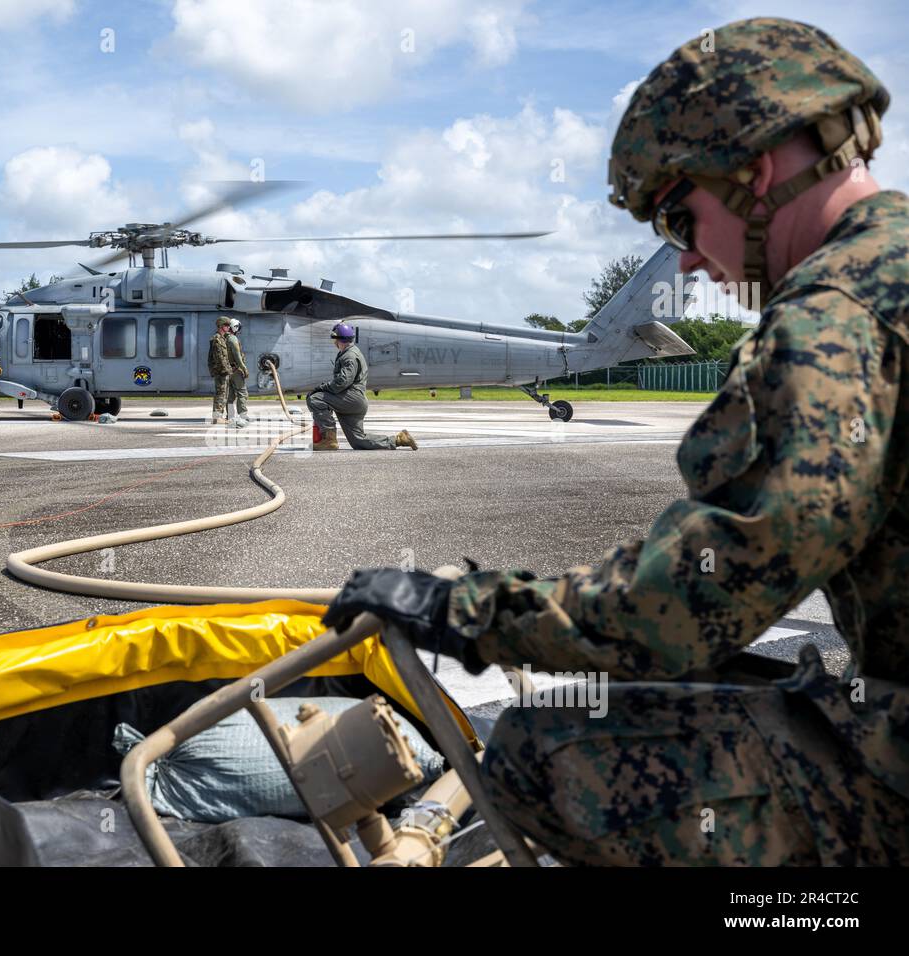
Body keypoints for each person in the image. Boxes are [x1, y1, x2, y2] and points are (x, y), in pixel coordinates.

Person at [324, 17, 909, 865]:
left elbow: (692, 600)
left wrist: (462, 610)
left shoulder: (834, 321)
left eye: (678, 218)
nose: (690, 261)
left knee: (548, 749)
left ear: (753, 172)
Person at [307, 322, 416, 451]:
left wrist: (321, 388)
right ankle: (399, 440)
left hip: (351, 399)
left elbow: (342, 381)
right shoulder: (350, 352)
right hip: (354, 401)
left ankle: (328, 440)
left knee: (315, 398)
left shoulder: (349, 356)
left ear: (338, 340)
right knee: (358, 441)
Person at [206, 316, 233, 424]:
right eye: (226, 325)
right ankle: (217, 417)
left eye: (228, 325)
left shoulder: (222, 338)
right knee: (220, 394)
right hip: (220, 371)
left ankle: (219, 416)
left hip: (223, 370)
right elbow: (219, 357)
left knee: (223, 394)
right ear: (221, 326)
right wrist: (227, 369)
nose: (228, 327)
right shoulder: (217, 339)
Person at [226, 316, 249, 427]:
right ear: (234, 327)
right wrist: (244, 368)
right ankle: (243, 415)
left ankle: (230, 416)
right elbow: (237, 356)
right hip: (235, 370)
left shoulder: (224, 338)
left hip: (227, 370)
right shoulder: (233, 339)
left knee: (230, 395)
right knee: (242, 392)